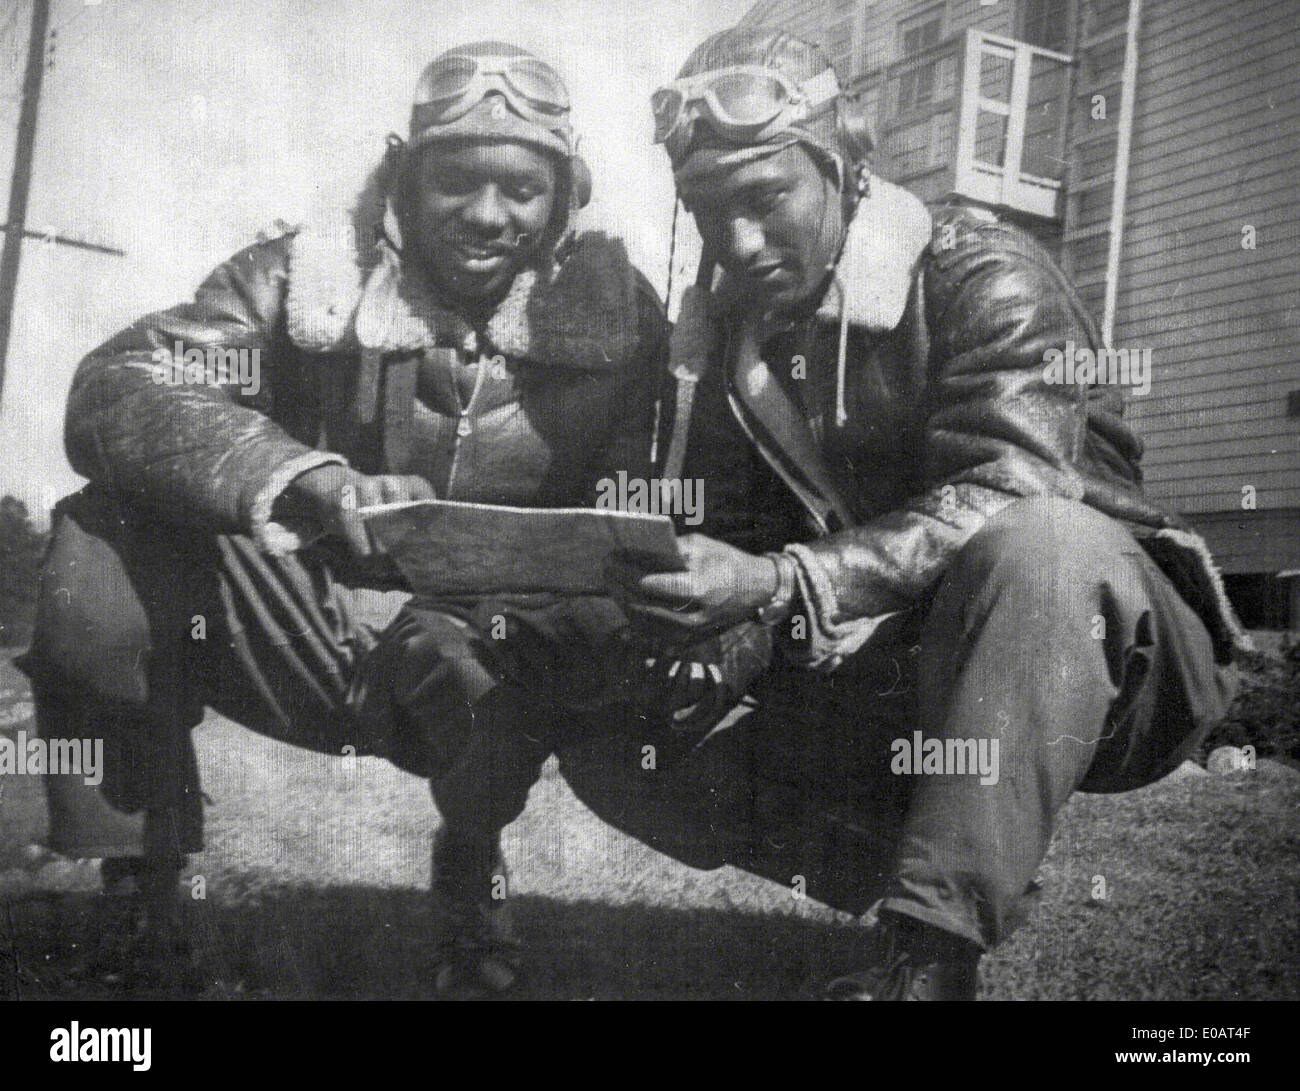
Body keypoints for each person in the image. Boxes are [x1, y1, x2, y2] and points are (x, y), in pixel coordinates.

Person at [572, 26, 1249, 999]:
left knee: (1041, 541)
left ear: (846, 165)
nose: (737, 244)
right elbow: (747, 540)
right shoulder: (733, 341)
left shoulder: (984, 272)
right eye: (707, 213)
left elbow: (1015, 488)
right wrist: (708, 634)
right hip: (907, 662)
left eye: (764, 200)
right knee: (612, 733)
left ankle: (931, 964)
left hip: (1114, 654)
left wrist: (780, 584)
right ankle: (941, 868)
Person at [17, 41, 668, 999]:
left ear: (566, 194)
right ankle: (143, 889)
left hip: (488, 645)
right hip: (302, 617)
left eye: (522, 189)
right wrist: (300, 472)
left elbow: (642, 505)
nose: (489, 216)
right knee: (102, 533)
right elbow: (120, 385)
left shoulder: (618, 318)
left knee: (499, 667)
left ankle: (470, 873)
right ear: (405, 173)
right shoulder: (302, 276)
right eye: (456, 181)